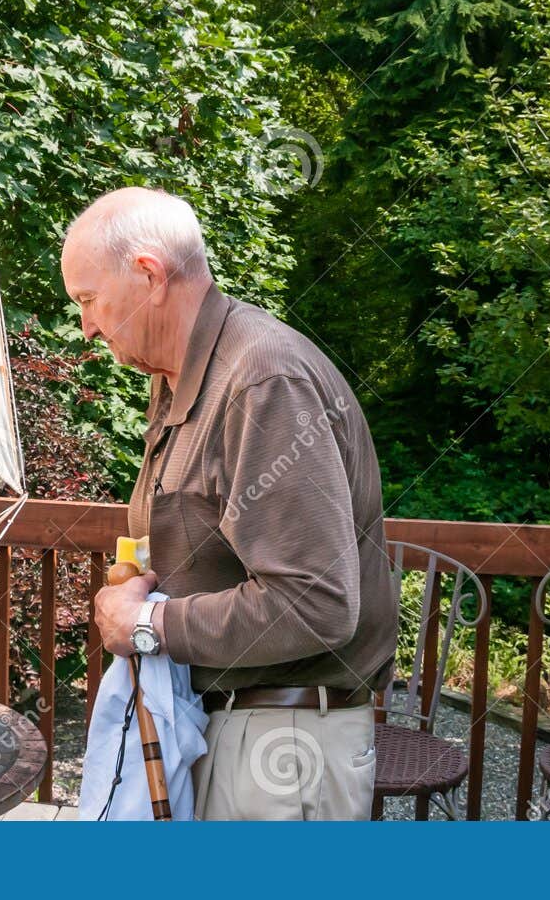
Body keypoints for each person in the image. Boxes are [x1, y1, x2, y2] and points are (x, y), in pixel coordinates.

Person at [64, 187, 397, 820]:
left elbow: (315, 604)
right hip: (232, 727)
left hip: (280, 746)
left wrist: (148, 626)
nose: (87, 326)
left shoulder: (261, 379)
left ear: (148, 275)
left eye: (88, 299)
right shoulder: (184, 375)